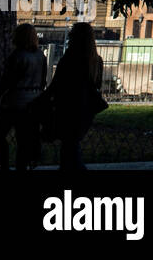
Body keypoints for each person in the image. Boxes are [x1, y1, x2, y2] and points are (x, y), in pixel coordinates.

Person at [42, 22, 106, 170]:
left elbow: (57, 84)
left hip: (68, 107)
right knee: (72, 145)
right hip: (86, 109)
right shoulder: (96, 60)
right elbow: (97, 85)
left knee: (68, 147)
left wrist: (43, 99)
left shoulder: (70, 58)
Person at [0, 23, 47, 170]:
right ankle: (21, 166)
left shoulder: (16, 56)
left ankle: (2, 164)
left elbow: (7, 80)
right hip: (32, 101)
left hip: (14, 101)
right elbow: (43, 81)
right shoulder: (41, 56)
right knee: (24, 139)